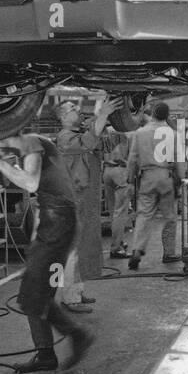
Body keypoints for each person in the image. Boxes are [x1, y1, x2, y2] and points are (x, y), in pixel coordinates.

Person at [0, 133, 92, 374]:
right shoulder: (30, 146)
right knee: (34, 291)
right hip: (54, 217)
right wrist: (6, 161)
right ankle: (45, 354)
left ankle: (76, 334)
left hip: (58, 218)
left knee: (33, 294)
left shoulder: (31, 141)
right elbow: (25, 181)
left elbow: (30, 183)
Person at [54, 95, 121, 310]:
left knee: (83, 246)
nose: (78, 109)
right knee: (72, 248)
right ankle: (70, 298)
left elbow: (100, 141)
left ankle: (78, 291)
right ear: (64, 116)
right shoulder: (65, 137)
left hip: (87, 199)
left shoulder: (79, 133)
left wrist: (109, 119)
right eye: (73, 108)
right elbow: (88, 142)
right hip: (74, 200)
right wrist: (102, 115)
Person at [126, 102, 186, 270]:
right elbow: (180, 159)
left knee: (144, 215)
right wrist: (181, 180)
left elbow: (133, 159)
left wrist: (130, 180)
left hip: (147, 178)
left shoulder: (140, 133)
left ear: (152, 113)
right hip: (166, 177)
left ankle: (137, 249)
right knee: (170, 217)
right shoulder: (173, 134)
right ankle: (168, 253)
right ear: (167, 116)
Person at [100, 122, 133, 259]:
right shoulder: (128, 133)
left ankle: (119, 241)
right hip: (120, 171)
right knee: (121, 213)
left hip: (107, 171)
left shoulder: (106, 131)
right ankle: (116, 248)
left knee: (113, 211)